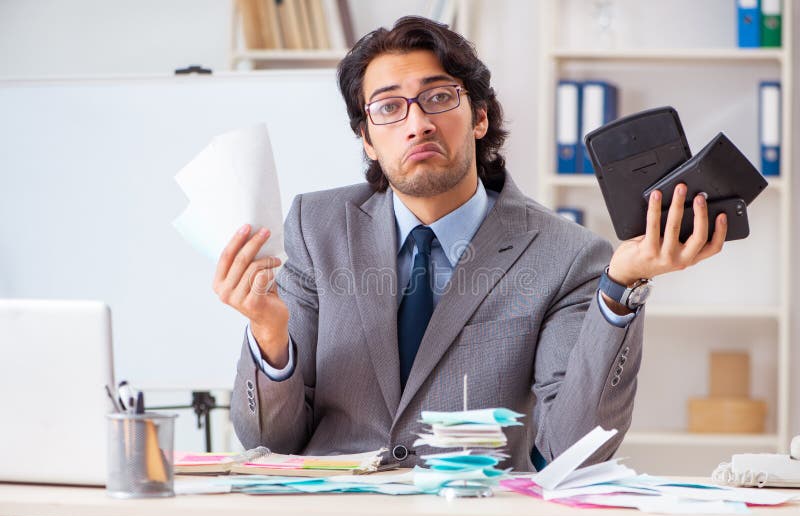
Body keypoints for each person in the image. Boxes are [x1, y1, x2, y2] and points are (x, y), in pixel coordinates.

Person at [215, 16, 725, 471]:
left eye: (438, 98)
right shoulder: (315, 226)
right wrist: (269, 334)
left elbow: (575, 448)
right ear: (367, 138)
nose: (417, 123)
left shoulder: (567, 255)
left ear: (479, 117)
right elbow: (269, 443)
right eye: (389, 107)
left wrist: (622, 286)